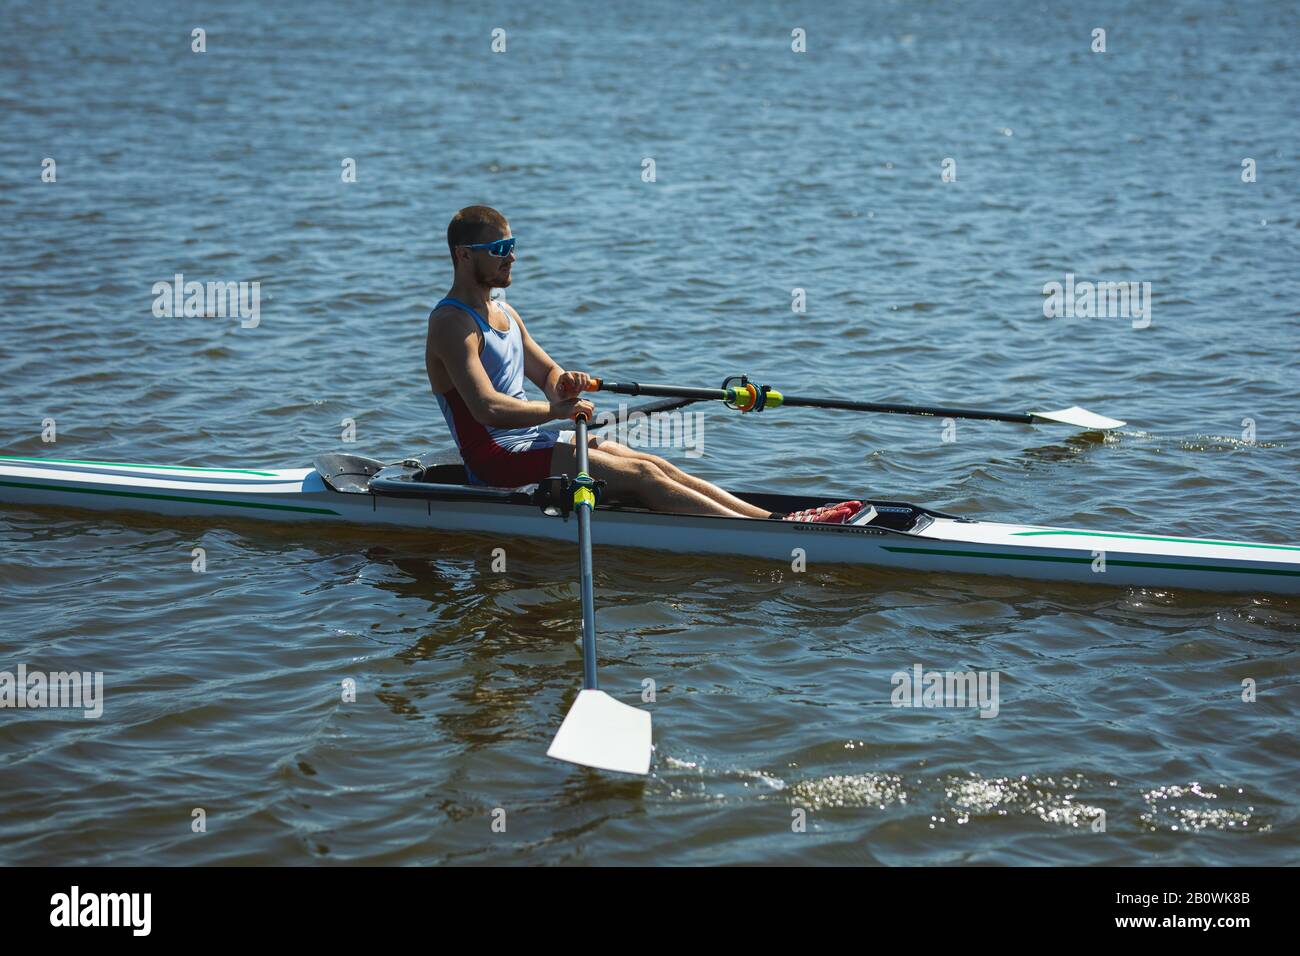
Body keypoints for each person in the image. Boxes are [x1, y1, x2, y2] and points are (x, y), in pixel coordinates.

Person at [424, 205, 859, 522]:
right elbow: (486, 408)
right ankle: (769, 536)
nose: (511, 256)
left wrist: (565, 385)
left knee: (654, 466)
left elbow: (548, 376)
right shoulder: (452, 324)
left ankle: (771, 521)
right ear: (464, 255)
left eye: (513, 246)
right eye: (499, 248)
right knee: (640, 477)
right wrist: (557, 411)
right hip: (495, 459)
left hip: (532, 438)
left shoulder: (505, 310)